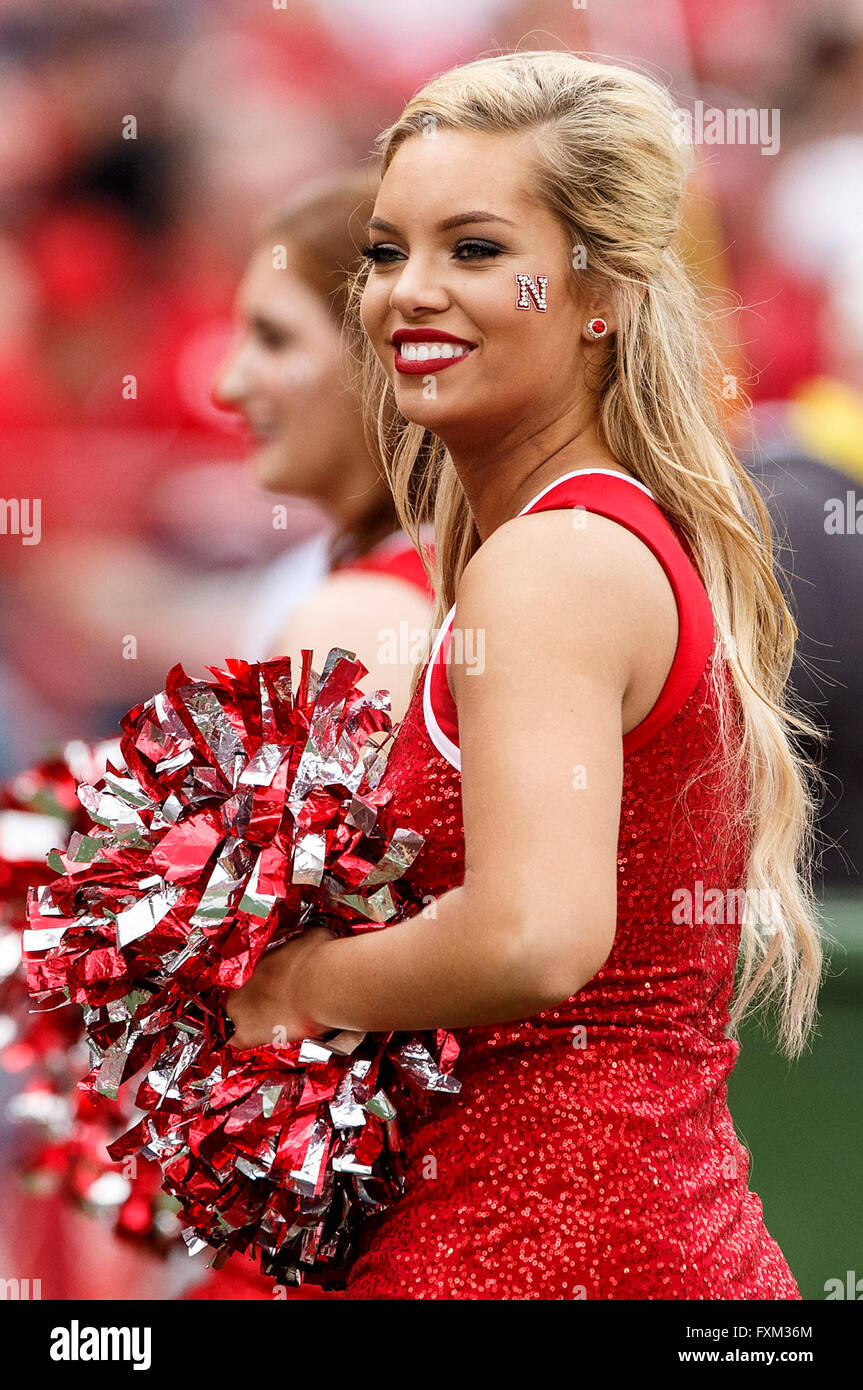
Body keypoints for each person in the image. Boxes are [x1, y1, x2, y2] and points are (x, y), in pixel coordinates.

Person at [225, 51, 824, 1300]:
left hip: (549, 1247)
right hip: (592, 1235)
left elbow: (533, 933)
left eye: (475, 249)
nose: (409, 292)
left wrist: (296, 983)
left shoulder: (552, 560)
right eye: (386, 251)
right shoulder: (572, 540)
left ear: (597, 292)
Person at [185, 171, 434, 1301]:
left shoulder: (359, 616)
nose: (228, 381)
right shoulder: (434, 576)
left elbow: (260, 961)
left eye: (273, 338)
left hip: (347, 1213)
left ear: (384, 359)